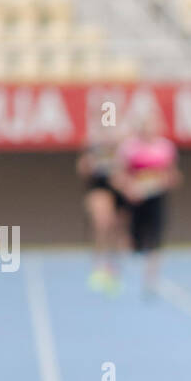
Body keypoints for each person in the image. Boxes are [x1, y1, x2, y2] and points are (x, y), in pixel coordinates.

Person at [113, 111, 181, 296]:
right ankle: (118, 274)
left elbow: (173, 176)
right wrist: (129, 189)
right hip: (134, 199)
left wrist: (158, 183)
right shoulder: (128, 148)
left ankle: (151, 280)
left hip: (156, 199)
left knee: (155, 238)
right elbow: (118, 176)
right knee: (130, 238)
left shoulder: (165, 147)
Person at [77, 126, 128, 295]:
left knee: (117, 227)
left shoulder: (123, 142)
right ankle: (97, 266)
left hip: (118, 188)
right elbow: (83, 169)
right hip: (99, 187)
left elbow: (128, 167)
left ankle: (113, 266)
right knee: (102, 223)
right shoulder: (92, 142)